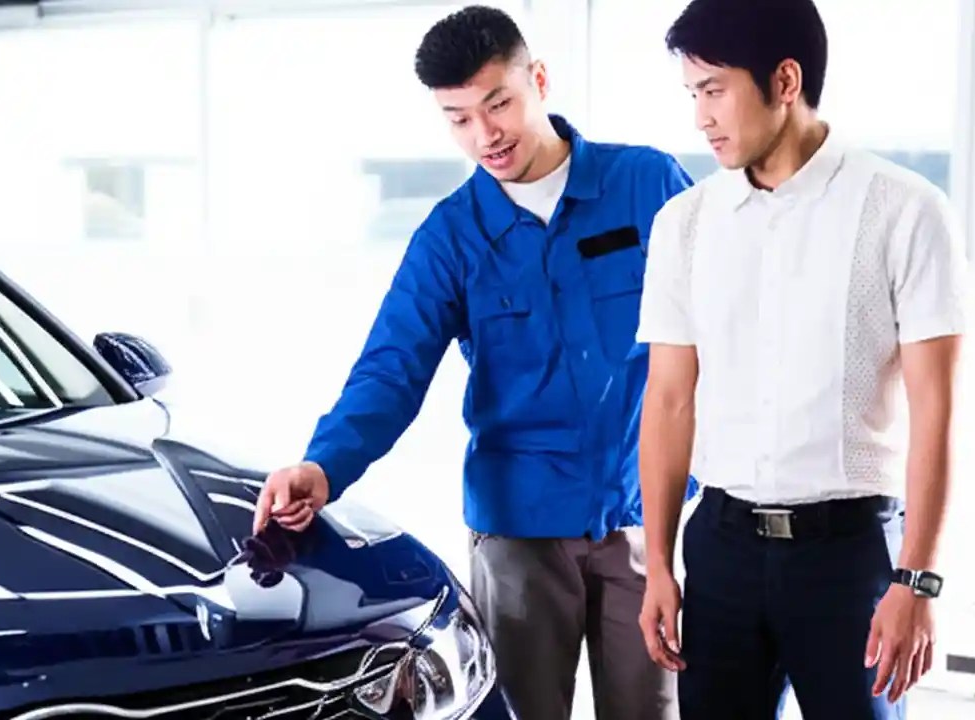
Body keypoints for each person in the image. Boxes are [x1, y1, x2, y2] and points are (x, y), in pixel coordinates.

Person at [250, 5, 693, 719]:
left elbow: (720, 334)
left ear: (538, 80)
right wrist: (322, 466)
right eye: (458, 118)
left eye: (499, 104)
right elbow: (391, 370)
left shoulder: (646, 186)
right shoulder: (450, 237)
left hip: (646, 520)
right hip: (519, 530)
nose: (484, 135)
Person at [634, 0, 967, 718]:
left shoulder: (906, 210)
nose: (700, 117)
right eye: (692, 94)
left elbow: (937, 414)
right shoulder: (684, 224)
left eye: (714, 89)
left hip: (849, 558)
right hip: (720, 550)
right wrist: (659, 564)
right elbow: (668, 401)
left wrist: (918, 580)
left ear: (785, 81)